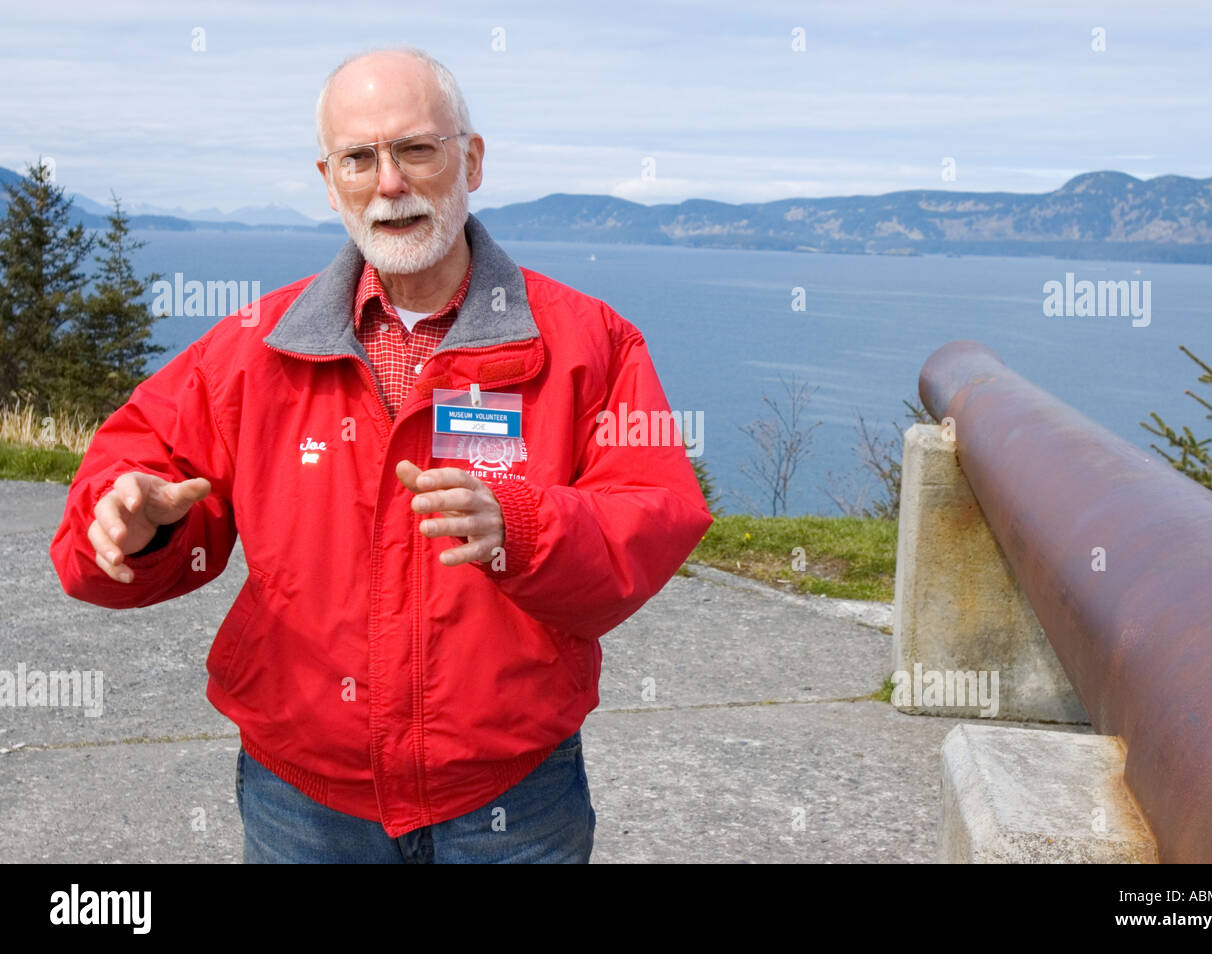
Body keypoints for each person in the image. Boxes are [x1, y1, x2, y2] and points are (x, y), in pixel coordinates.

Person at [48, 47, 713, 864]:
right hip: (304, 800)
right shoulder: (249, 352)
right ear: (330, 181)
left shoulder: (589, 343)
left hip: (512, 795)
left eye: (416, 149)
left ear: (470, 161)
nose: (389, 182)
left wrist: (523, 527)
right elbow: (122, 496)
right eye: (359, 158)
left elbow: (651, 514)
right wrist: (132, 526)